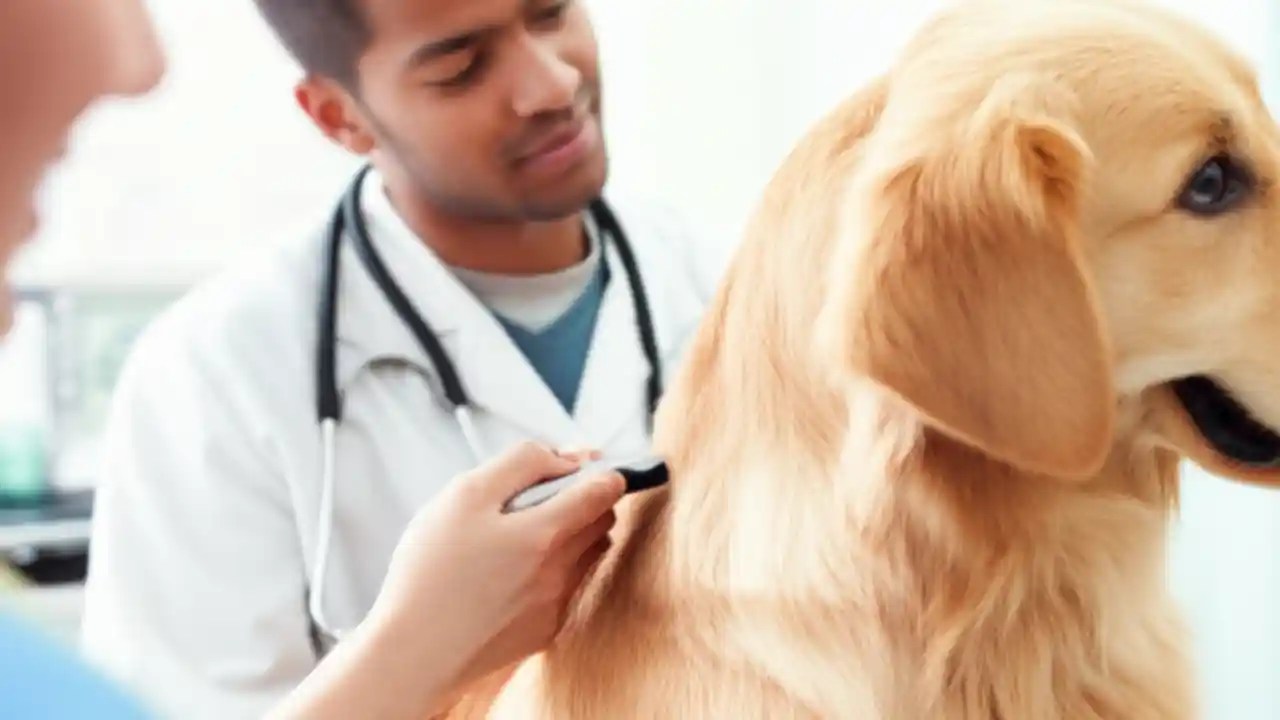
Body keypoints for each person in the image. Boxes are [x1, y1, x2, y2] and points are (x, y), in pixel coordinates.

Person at [80, 0, 718, 717]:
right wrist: (419, 645)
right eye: (461, 68)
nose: (552, 84)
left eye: (550, 13)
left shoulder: (728, 286)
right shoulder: (213, 377)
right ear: (337, 117)